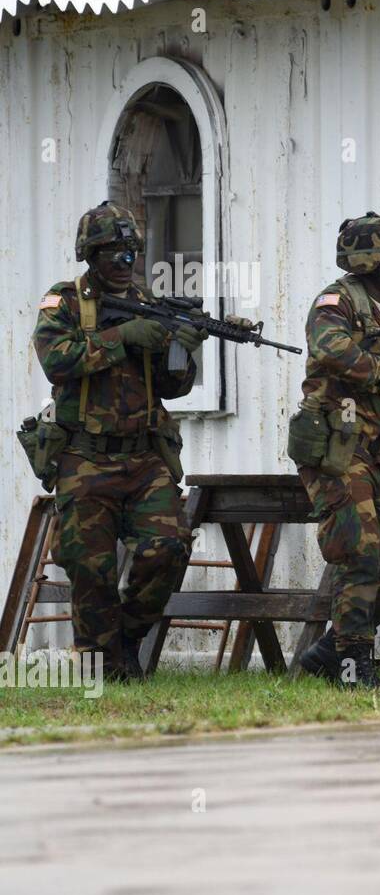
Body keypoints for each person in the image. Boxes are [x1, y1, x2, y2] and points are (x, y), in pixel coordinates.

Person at [31, 202, 206, 680]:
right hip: (84, 456)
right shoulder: (67, 301)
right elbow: (57, 362)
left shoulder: (150, 304)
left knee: (167, 547)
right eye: (112, 251)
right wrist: (123, 336)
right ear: (90, 254)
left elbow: (172, 388)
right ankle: (102, 668)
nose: (124, 261)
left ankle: (125, 638)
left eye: (130, 251)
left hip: (145, 456)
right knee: (90, 569)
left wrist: (180, 351)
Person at [291, 212, 380, 690]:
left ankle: (332, 650)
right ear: (372, 260)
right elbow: (332, 350)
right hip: (339, 445)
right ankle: (354, 668)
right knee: (360, 552)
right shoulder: (336, 302)